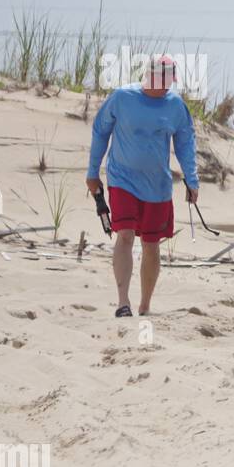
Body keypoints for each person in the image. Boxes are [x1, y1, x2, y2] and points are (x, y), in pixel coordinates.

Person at [85, 55, 199, 317]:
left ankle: (145, 305)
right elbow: (101, 131)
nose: (165, 86)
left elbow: (185, 144)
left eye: (169, 81)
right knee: (124, 234)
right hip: (122, 179)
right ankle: (122, 302)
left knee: (151, 243)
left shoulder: (175, 106)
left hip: (157, 186)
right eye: (161, 79)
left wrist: (192, 179)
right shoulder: (123, 97)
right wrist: (93, 172)